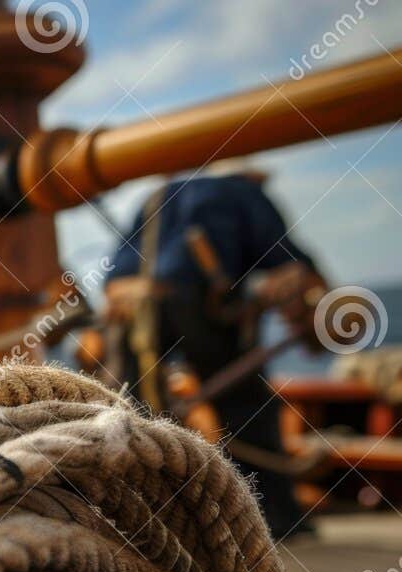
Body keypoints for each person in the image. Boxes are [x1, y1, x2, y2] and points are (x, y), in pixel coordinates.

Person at [102, 164, 326, 539]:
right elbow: (291, 265)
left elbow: (115, 278)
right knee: (245, 405)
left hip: (135, 310)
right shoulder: (244, 194)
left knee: (128, 412)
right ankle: (273, 518)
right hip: (202, 305)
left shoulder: (156, 198)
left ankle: (128, 519)